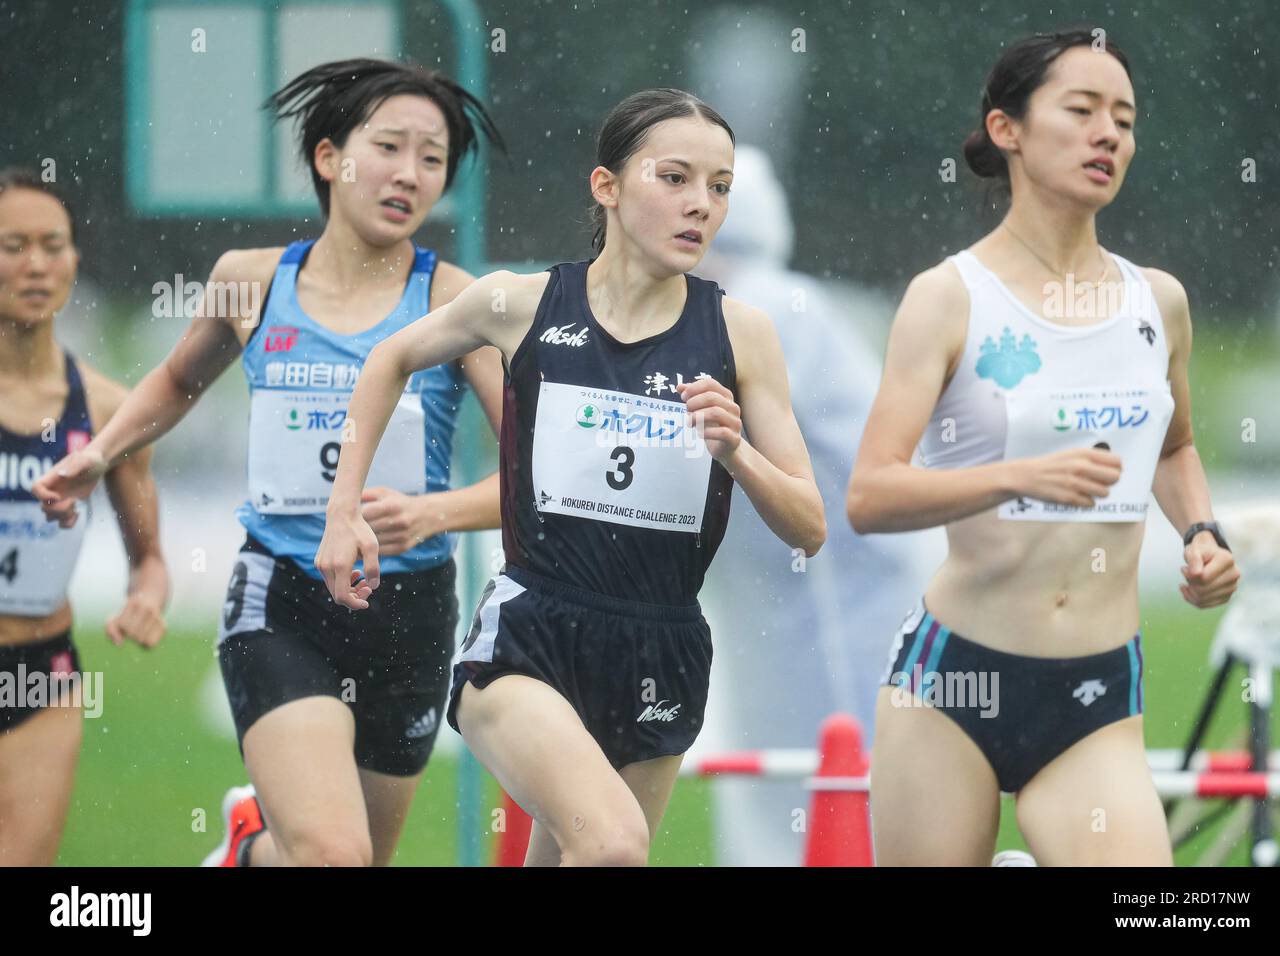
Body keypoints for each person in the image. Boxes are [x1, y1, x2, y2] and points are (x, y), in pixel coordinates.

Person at [316, 88, 827, 866]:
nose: (702, 206)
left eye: (719, 188)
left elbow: (809, 525)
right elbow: (389, 359)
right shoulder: (518, 304)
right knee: (615, 846)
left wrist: (737, 454)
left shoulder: (742, 334)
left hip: (663, 645)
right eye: (676, 178)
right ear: (608, 187)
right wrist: (342, 509)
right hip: (532, 635)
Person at [33, 59, 506, 867]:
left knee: (349, 860)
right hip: (281, 599)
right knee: (333, 853)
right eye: (388, 147)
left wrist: (435, 512)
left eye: (432, 160)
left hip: (410, 614)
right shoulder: (246, 282)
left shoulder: (458, 302)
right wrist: (101, 453)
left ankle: (249, 851)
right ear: (329, 158)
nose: (410, 174)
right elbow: (179, 380)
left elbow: (534, 473)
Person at [847, 29, 1240, 866]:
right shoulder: (948, 297)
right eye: (1083, 110)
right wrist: (1019, 476)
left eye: (1126, 120)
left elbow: (1174, 448)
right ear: (1008, 130)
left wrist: (1204, 534)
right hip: (950, 685)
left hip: (1096, 692)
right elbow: (871, 495)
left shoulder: (1157, 301)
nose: (1110, 135)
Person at [693, 145, 941, 866]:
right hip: (775, 595)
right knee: (785, 777)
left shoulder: (770, 305)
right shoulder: (747, 301)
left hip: (845, 596)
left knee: (836, 773)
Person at [0, 168, 169, 865]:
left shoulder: (108, 410)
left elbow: (150, 556)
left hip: (42, 670)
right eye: (13, 245)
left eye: (53, 244)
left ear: (75, 259)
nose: (35, 264)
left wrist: (146, 600)